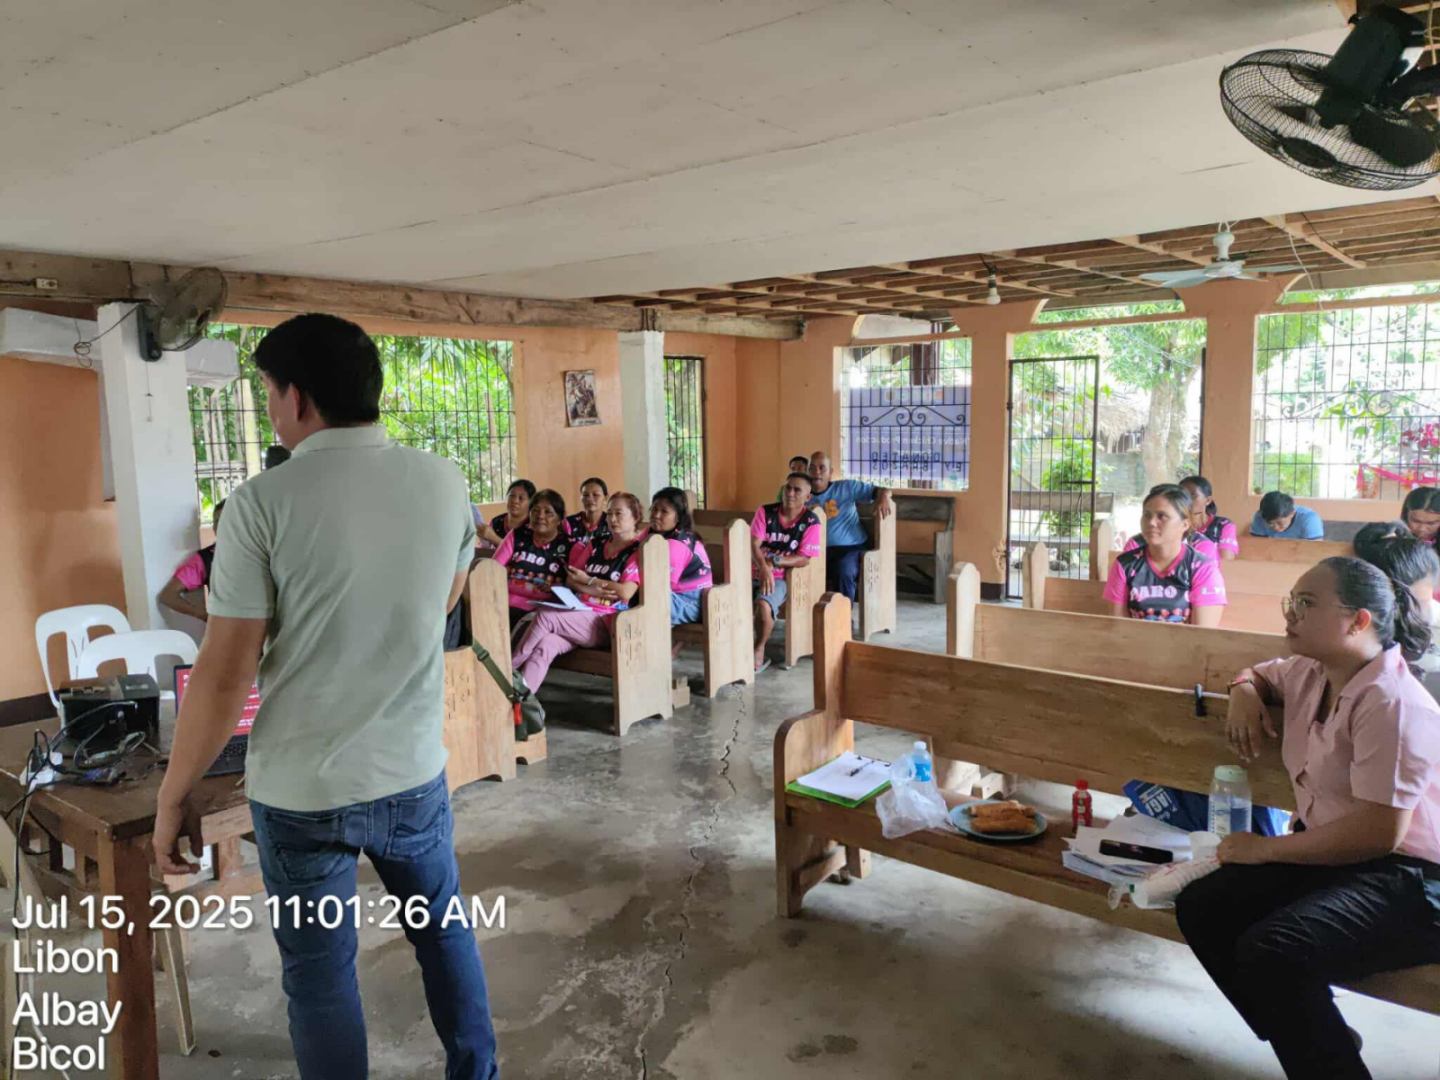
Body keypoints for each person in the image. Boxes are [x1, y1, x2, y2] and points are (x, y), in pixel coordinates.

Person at [152, 314, 498, 1079]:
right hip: (411, 773)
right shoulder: (444, 483)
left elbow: (224, 670)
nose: (272, 410)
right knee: (442, 934)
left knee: (319, 973)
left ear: (298, 398)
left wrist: (176, 793)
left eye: (269, 393)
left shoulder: (259, 505)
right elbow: (442, 602)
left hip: (304, 791)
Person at [1176, 556, 1440, 1080]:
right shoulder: (1309, 672)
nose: (1290, 615)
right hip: (1341, 856)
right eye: (1290, 602)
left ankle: (1320, 1049)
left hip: (1413, 877)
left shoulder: (1392, 701)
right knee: (1204, 906)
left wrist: (1264, 848)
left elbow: (1377, 833)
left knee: (1275, 951)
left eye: (1306, 604)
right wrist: (1244, 690)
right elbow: (1257, 673)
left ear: (1357, 621)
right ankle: (1319, 1035)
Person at [511, 492, 645, 693]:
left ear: (635, 517)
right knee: (545, 646)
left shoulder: (636, 551)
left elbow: (625, 592)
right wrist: (591, 586)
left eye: (619, 514)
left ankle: (507, 670)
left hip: (605, 622)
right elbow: (572, 579)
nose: (612, 519)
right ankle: (520, 702)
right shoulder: (597, 543)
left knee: (545, 617)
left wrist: (590, 580)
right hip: (578, 613)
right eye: (609, 514)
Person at [1104, 485, 1227, 626]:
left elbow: (1202, 636)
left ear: (1185, 524)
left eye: (1162, 516)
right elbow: (1120, 628)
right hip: (1134, 645)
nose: (1151, 522)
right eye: (1147, 515)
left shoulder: (1202, 568)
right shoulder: (1125, 565)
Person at [1353, 524, 1440, 700]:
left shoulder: (1434, 620)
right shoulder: (1358, 634)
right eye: (1412, 603)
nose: (1425, 611)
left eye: (1425, 600)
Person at [751, 473, 823, 673]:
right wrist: (764, 568)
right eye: (788, 487)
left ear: (807, 497)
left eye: (797, 490)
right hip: (753, 571)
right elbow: (754, 544)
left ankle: (759, 648)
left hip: (781, 578)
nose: (790, 493)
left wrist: (774, 562)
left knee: (764, 605)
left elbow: (804, 558)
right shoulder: (765, 512)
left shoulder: (811, 521)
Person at [806, 451, 893, 602]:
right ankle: (813, 616)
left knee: (843, 570)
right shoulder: (803, 494)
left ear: (831, 472)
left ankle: (843, 617)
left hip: (851, 547)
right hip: (817, 549)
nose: (817, 473)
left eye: (822, 468)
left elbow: (881, 490)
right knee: (803, 568)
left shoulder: (847, 487)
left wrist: (884, 497)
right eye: (812, 468)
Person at [493, 488, 575, 628]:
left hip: (543, 610)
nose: (540, 516)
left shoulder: (570, 545)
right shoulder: (517, 536)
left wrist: (556, 587)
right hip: (504, 602)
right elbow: (493, 569)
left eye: (548, 512)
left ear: (559, 518)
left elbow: (575, 585)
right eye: (535, 511)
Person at [649, 487, 713, 626]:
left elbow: (663, 585)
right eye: (654, 509)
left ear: (678, 517)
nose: (656, 515)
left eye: (664, 511)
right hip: (672, 595)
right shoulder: (651, 532)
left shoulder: (678, 543)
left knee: (644, 603)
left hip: (692, 602)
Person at [158, 499, 225, 622]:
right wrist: (205, 616)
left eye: (226, 520)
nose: (220, 525)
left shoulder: (261, 553)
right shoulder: (206, 559)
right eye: (216, 521)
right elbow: (168, 595)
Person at [1180, 475, 1238, 560]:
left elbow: (1226, 560)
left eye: (1193, 496)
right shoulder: (1175, 526)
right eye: (1182, 496)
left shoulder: (1223, 525)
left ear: (1208, 500)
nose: (1187, 500)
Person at [477, 478, 535, 548]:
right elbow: (485, 548)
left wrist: (494, 538)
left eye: (521, 498)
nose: (515, 501)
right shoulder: (496, 522)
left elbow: (520, 555)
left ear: (531, 503)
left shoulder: (533, 526)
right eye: (512, 496)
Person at [1250, 491, 1324, 539]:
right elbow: (1257, 547)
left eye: (1279, 523)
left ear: (1292, 513)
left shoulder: (1309, 520)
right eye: (1270, 523)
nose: (1276, 527)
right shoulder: (1260, 517)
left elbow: (1314, 551)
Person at [565, 476, 611, 546]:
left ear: (605, 498)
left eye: (595, 495)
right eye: (586, 495)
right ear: (581, 498)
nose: (590, 499)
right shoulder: (569, 523)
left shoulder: (610, 523)